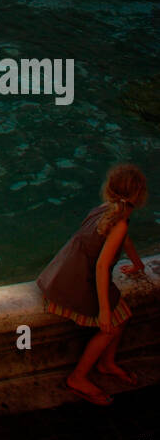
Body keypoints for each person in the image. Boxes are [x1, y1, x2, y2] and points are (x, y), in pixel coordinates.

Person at [37, 164, 147, 406]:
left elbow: (124, 241)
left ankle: (106, 363)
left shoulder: (107, 211)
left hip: (65, 272)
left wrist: (138, 263)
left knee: (122, 316)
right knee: (112, 327)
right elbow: (101, 267)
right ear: (139, 196)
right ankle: (78, 377)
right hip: (78, 281)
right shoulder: (119, 223)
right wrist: (104, 311)